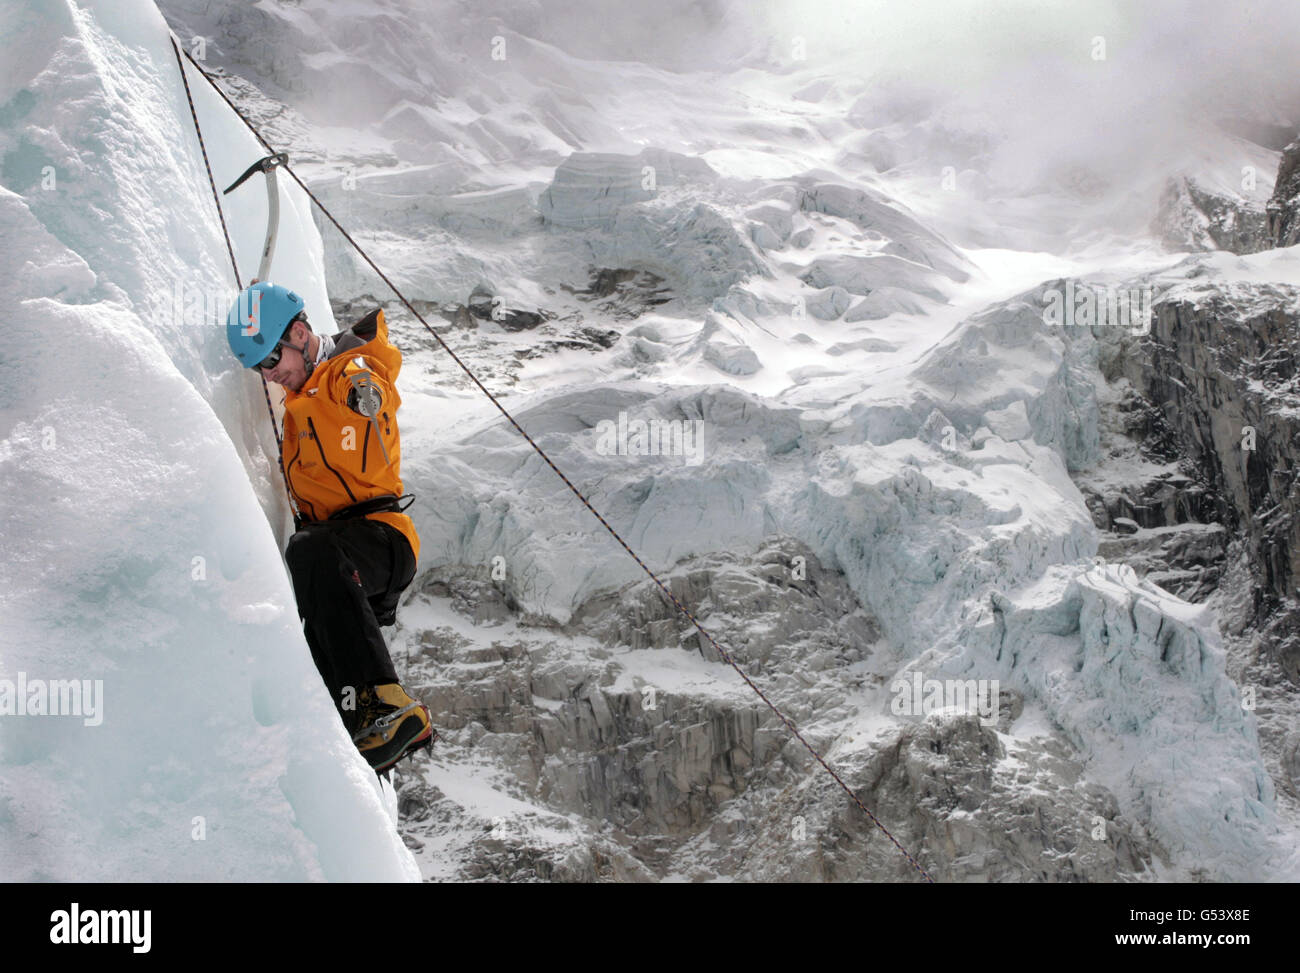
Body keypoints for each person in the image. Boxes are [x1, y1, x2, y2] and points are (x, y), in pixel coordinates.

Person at [226, 280, 434, 773]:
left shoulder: (347, 368)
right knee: (314, 625)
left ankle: (384, 703)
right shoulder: (300, 399)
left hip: (380, 537)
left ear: (300, 333)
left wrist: (366, 394)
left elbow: (367, 378)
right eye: (260, 368)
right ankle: (355, 734)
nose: (270, 375)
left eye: (272, 360)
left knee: (309, 552)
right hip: (346, 554)